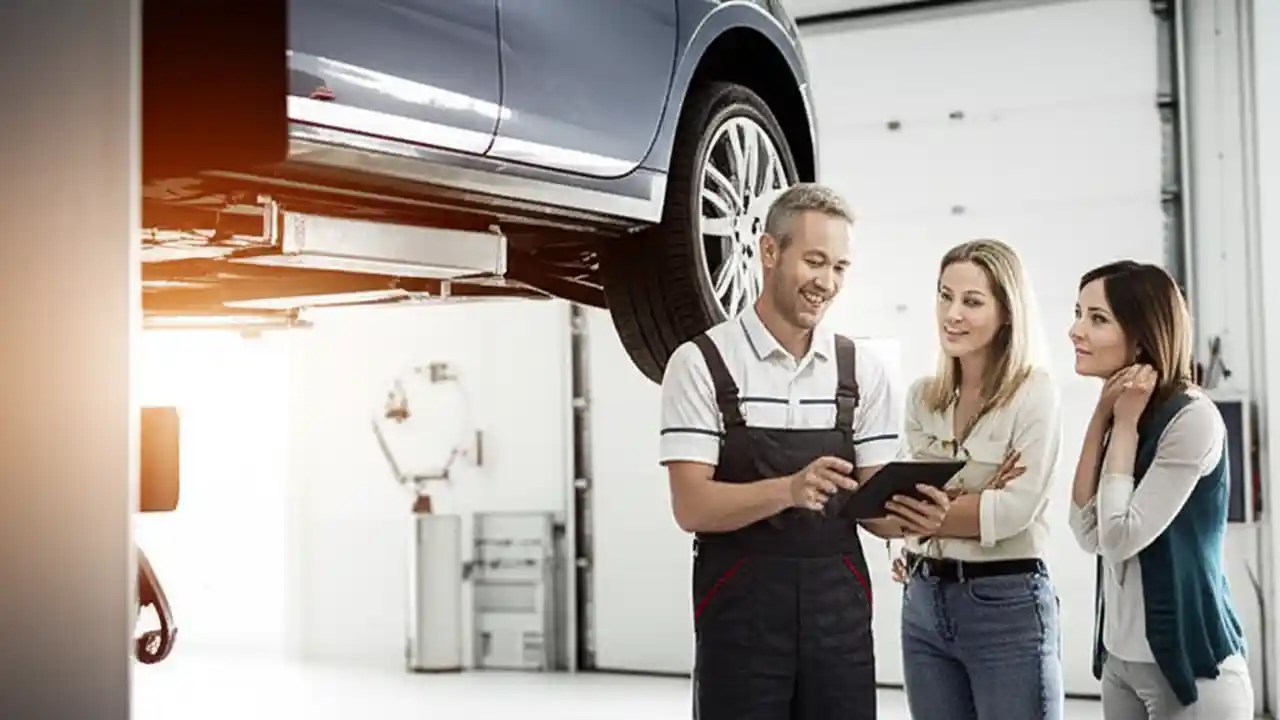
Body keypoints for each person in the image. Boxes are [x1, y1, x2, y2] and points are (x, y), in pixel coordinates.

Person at [659, 182, 950, 720]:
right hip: (739, 612)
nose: (827, 282)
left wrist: (915, 518)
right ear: (769, 252)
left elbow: (874, 513)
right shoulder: (700, 364)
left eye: (840, 267)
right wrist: (789, 490)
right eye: (815, 261)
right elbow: (691, 506)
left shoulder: (862, 370)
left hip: (836, 612)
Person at [887, 239, 1065, 720]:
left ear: (1007, 312)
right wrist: (978, 497)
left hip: (1004, 604)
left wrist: (927, 513)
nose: (952, 314)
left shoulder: (1033, 392)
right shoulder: (923, 398)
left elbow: (1014, 511)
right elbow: (903, 509)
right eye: (945, 296)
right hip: (922, 601)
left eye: (971, 301)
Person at [1066, 260, 1253, 718]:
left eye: (1097, 318)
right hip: (1119, 662)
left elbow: (1119, 536)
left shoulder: (1193, 418)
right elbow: (1085, 530)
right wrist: (1102, 416)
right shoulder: (1125, 409)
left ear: (1143, 332)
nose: (1075, 330)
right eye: (1077, 313)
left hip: (1190, 669)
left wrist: (1124, 425)